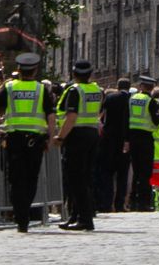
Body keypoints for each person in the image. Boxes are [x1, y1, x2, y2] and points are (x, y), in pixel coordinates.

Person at [0, 52, 52, 232]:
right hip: (35, 140)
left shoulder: (9, 88)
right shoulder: (41, 90)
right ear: (36, 70)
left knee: (16, 180)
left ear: (18, 69)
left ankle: (20, 216)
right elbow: (51, 115)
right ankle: (24, 213)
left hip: (14, 139)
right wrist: (50, 136)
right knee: (31, 178)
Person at [54, 59, 102, 231]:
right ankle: (76, 215)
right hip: (92, 133)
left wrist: (60, 137)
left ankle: (84, 219)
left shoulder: (75, 91)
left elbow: (71, 118)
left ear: (74, 74)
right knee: (85, 177)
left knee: (76, 179)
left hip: (77, 136)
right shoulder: (96, 89)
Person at [98, 76, 132, 212]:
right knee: (123, 173)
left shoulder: (110, 98)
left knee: (107, 172)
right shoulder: (132, 100)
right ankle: (120, 203)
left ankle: (106, 203)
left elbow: (102, 116)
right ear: (129, 87)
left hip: (109, 139)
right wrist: (128, 140)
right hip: (125, 140)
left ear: (117, 87)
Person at [126, 74, 158, 211]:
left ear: (141, 86)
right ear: (151, 88)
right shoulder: (150, 101)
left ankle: (133, 201)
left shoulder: (132, 99)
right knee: (146, 172)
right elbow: (156, 120)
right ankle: (144, 203)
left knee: (136, 171)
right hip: (146, 137)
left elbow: (126, 117)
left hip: (132, 136)